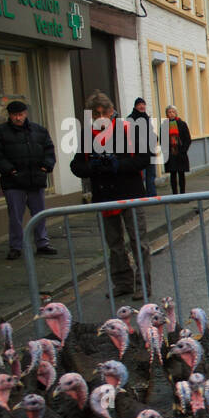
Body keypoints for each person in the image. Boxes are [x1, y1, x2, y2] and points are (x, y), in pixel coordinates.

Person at [70, 91, 152, 301]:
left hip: (130, 194)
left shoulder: (129, 130)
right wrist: (93, 167)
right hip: (104, 196)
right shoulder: (88, 135)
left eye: (103, 113)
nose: (100, 118)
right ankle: (122, 283)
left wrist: (118, 165)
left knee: (138, 242)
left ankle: (143, 285)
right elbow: (77, 166)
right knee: (114, 244)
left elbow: (143, 159)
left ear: (111, 111)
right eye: (96, 115)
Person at [0, 99, 57, 260]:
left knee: (39, 214)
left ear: (25, 114)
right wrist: (10, 171)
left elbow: (49, 150)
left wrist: (45, 167)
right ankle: (16, 246)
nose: (18, 118)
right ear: (9, 116)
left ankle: (42, 243)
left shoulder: (39, 131)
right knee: (15, 217)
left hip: (35, 179)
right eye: (14, 115)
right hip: (14, 182)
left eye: (20, 114)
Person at [127, 98, 159, 198]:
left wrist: (155, 138)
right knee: (142, 176)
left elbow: (151, 132)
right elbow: (130, 136)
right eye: (140, 104)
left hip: (150, 152)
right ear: (135, 106)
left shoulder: (146, 118)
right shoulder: (131, 119)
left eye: (143, 104)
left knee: (151, 175)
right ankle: (141, 196)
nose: (142, 106)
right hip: (139, 153)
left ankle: (152, 196)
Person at [162, 105, 192, 194]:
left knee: (181, 174)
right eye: (169, 112)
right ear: (167, 114)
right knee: (173, 175)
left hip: (180, 153)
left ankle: (182, 194)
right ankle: (174, 194)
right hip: (170, 154)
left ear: (176, 113)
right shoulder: (164, 125)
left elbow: (188, 139)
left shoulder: (182, 124)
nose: (171, 114)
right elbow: (162, 140)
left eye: (173, 112)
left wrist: (183, 150)